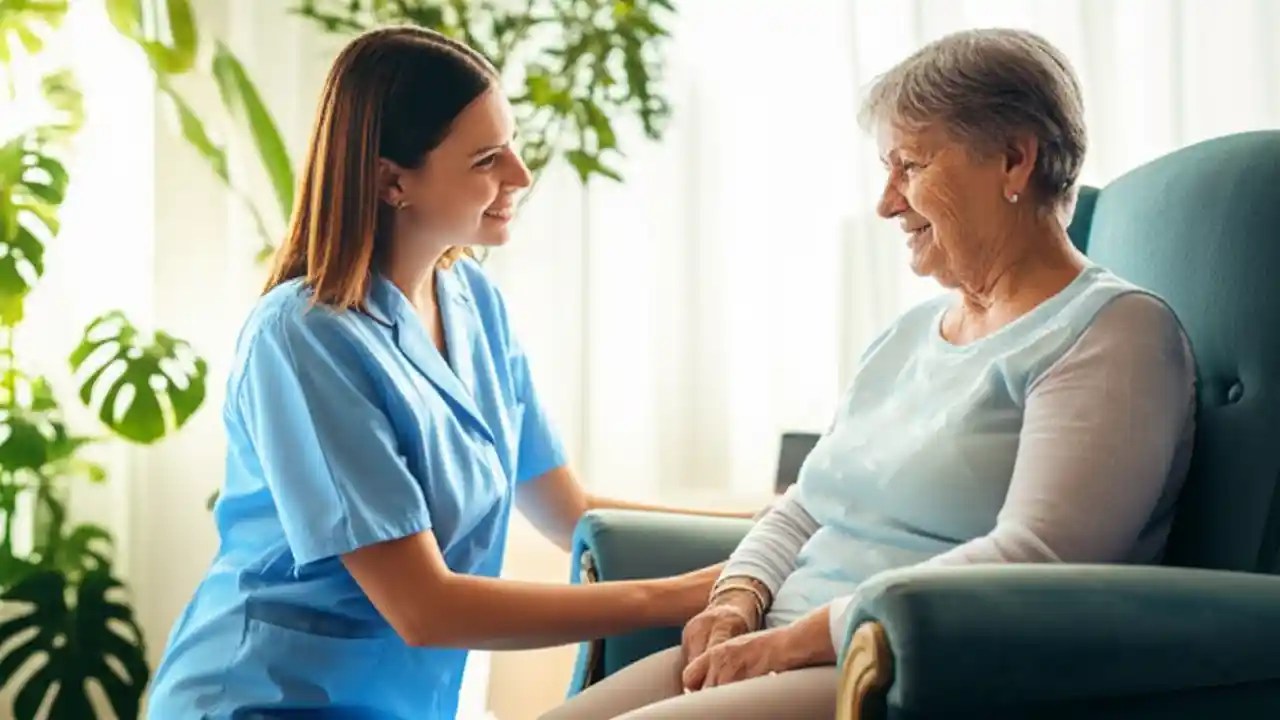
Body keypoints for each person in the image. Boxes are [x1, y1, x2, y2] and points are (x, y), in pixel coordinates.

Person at [543, 27, 1197, 720]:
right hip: (780, 648)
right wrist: (739, 597)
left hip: (902, 670)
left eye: (909, 166)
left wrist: (793, 642)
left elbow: (1039, 560)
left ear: (1013, 160)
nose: (887, 202)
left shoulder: (1113, 332)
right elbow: (807, 502)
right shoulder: (909, 334)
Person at [145, 26, 745, 720]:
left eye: (511, 144)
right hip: (270, 701)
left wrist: (769, 534)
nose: (520, 174)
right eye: (488, 158)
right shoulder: (304, 339)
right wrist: (692, 592)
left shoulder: (474, 305)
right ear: (392, 180)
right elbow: (424, 608)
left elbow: (571, 512)